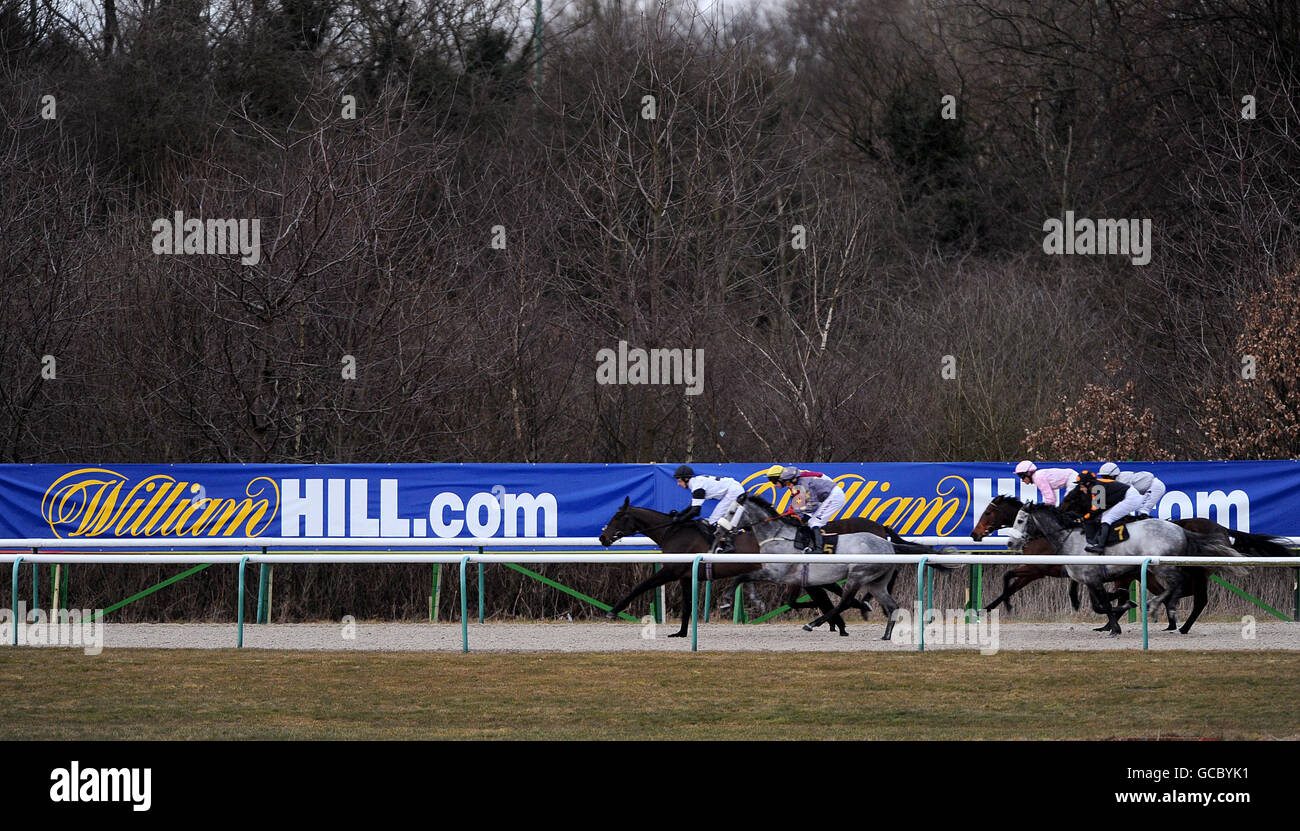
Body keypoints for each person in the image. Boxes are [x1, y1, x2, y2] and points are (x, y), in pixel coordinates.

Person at [764, 465, 847, 553]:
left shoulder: (800, 482)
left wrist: (795, 510)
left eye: (774, 482)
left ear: (781, 478)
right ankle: (809, 545)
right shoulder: (792, 479)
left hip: (832, 496)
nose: (774, 485)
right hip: (822, 493)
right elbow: (798, 502)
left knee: (814, 522)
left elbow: (812, 505)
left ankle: (819, 550)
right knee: (807, 519)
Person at [1070, 469, 1144, 553]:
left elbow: (1096, 509)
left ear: (1088, 483)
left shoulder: (1098, 488)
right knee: (1104, 516)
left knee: (1107, 518)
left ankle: (1100, 546)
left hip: (1131, 498)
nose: (1080, 488)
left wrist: (1083, 518)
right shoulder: (1095, 486)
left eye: (1081, 485)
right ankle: (1096, 541)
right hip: (1126, 496)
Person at [672, 465, 745, 530]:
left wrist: (680, 520)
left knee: (713, 521)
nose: (678, 484)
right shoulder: (696, 483)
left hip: (733, 491)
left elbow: (696, 511)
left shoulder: (697, 487)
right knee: (715, 520)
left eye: (679, 481)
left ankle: (727, 541)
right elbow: (692, 506)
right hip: (733, 488)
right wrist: (679, 515)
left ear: (686, 479)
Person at [1097, 462, 1165, 517]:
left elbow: (1126, 498)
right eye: (1103, 476)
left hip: (1155, 487)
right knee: (1139, 512)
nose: (1104, 478)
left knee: (1143, 511)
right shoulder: (1118, 479)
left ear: (1112, 475)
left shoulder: (1123, 480)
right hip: (1146, 489)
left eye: (1105, 476)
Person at [1013, 460, 1078, 507]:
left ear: (1028, 473)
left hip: (1072, 479)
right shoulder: (1038, 476)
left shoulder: (1038, 478)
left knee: (1066, 505)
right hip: (1072, 477)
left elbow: (1050, 500)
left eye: (1022, 477)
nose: (1022, 480)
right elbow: (1052, 498)